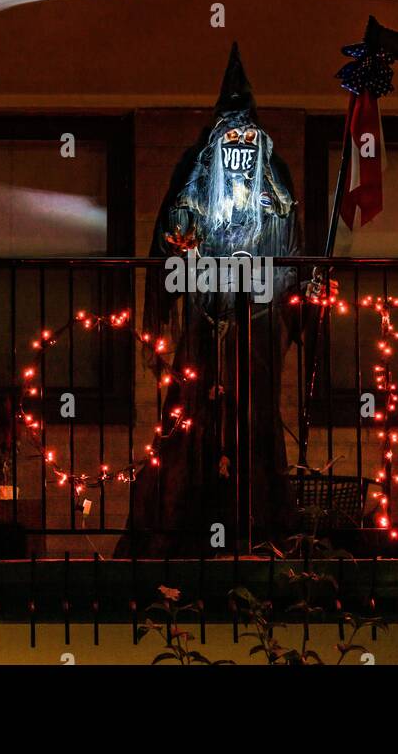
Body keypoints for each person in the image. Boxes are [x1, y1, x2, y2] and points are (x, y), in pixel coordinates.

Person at [115, 44, 302, 558]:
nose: (240, 144)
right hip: (204, 322)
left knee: (253, 421)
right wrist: (182, 240)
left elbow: (291, 260)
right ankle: (181, 526)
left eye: (248, 134)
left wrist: (304, 292)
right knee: (190, 415)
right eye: (231, 134)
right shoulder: (195, 181)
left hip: (256, 327)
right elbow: (175, 234)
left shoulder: (273, 186)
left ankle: (256, 527)